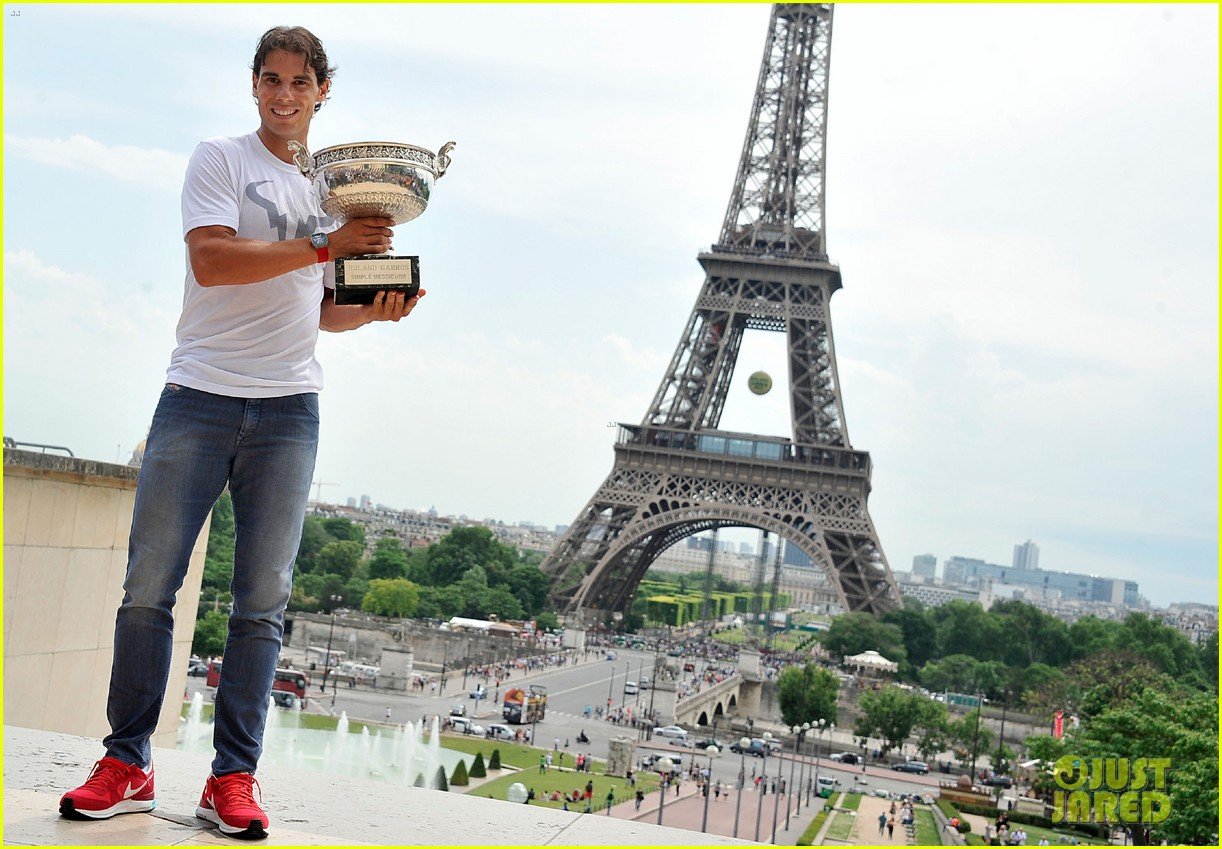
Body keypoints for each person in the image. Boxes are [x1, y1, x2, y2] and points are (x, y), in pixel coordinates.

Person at [58, 26, 422, 840]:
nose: (285, 94)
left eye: (300, 81)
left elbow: (318, 308)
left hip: (289, 407)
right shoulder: (219, 159)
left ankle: (233, 778)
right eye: (271, 79)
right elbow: (214, 263)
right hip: (198, 395)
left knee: (261, 604)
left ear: (324, 90)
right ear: (253, 85)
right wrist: (326, 242)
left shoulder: (338, 187)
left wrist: (377, 308)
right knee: (149, 589)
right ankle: (128, 762)